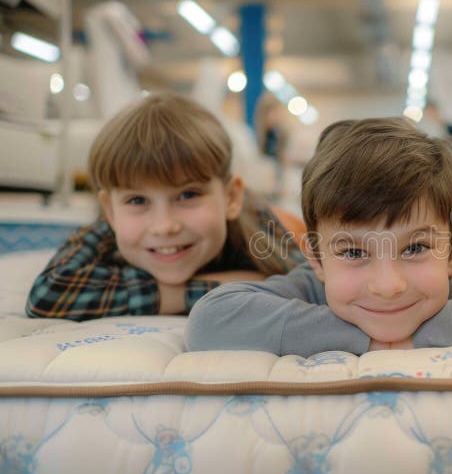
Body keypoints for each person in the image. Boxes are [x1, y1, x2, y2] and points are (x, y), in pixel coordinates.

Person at [185, 117, 452, 356]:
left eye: (416, 247)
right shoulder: (310, 285)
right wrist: (368, 341)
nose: (388, 286)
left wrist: (411, 339)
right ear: (316, 259)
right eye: (353, 252)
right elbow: (209, 321)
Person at [26, 92, 305, 321]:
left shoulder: (254, 219)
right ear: (109, 211)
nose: (165, 226)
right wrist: (224, 286)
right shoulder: (105, 231)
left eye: (188, 195)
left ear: (231, 197)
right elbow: (49, 294)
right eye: (138, 200)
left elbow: (307, 285)